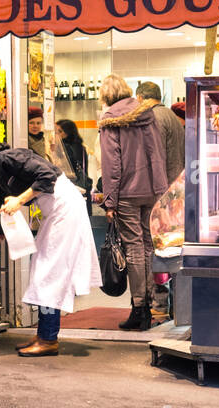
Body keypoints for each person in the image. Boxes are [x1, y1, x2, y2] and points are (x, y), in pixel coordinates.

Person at [0, 137, 100, 357]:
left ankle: (48, 339)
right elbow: (0, 227)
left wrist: (19, 199)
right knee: (41, 271)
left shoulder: (9, 158)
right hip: (54, 213)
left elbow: (48, 175)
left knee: (48, 273)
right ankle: (44, 334)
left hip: (65, 209)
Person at [99, 74, 168, 331]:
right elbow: (157, 153)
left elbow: (112, 163)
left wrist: (110, 201)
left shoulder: (110, 120)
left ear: (106, 96)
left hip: (127, 192)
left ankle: (139, 308)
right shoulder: (146, 115)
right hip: (151, 189)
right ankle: (149, 304)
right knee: (148, 245)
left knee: (134, 248)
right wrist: (161, 189)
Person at [136, 82, 185, 185]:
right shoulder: (170, 114)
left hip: (165, 184)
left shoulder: (154, 117)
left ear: (140, 98)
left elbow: (157, 155)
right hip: (177, 179)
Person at [54, 118, 91, 198]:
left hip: (74, 186)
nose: (56, 134)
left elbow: (71, 166)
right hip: (76, 186)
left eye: (60, 131)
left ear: (68, 132)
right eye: (55, 131)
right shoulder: (77, 145)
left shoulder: (71, 147)